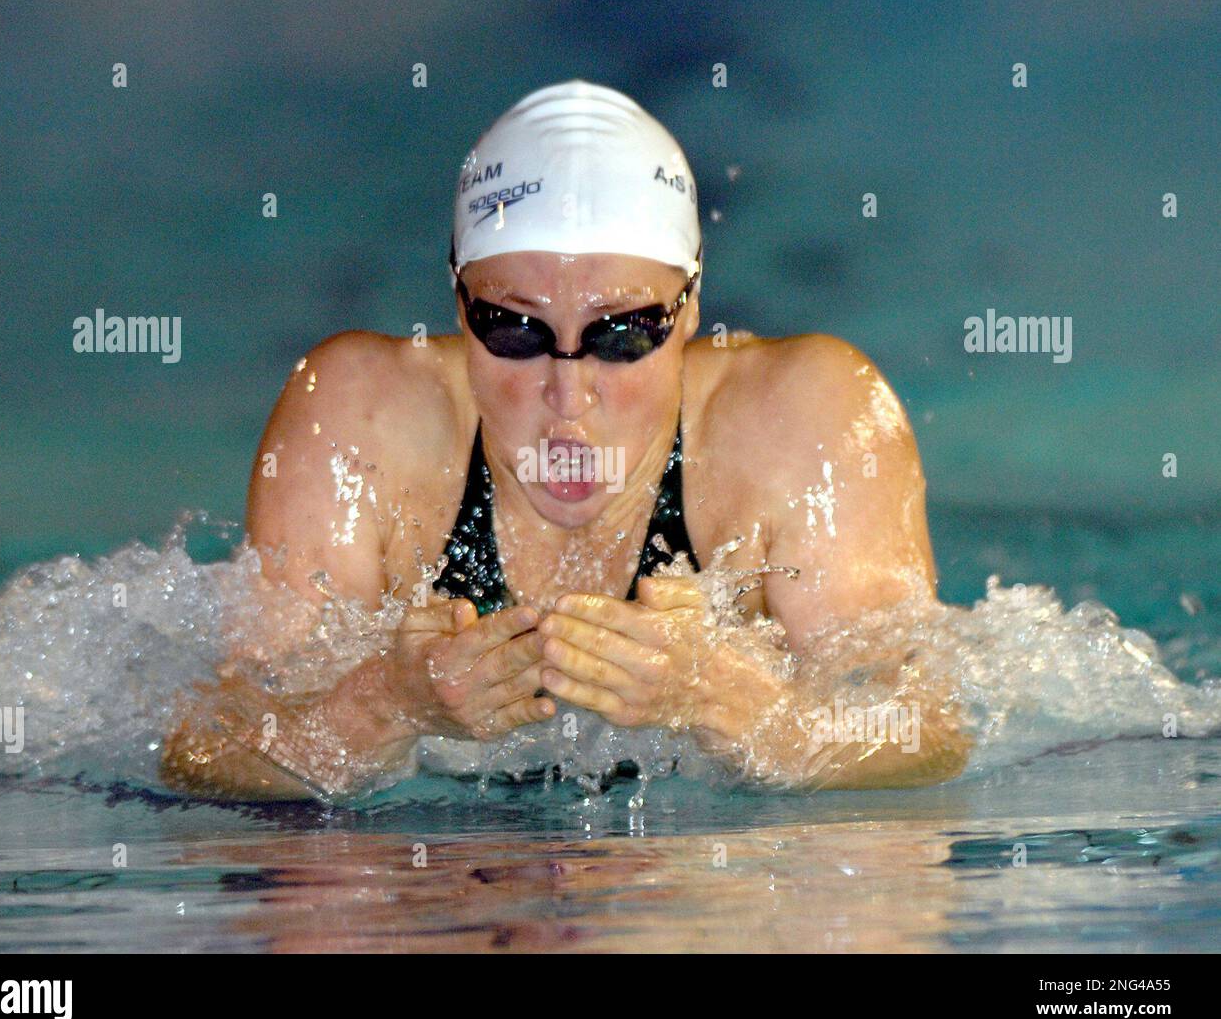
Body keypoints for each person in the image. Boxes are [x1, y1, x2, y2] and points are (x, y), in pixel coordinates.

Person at [161, 79, 970, 800]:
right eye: (514, 329)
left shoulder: (808, 419)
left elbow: (924, 735)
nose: (568, 395)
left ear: (690, 306)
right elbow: (206, 753)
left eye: (623, 333)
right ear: (456, 300)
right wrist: (383, 705)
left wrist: (725, 700)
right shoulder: (357, 421)